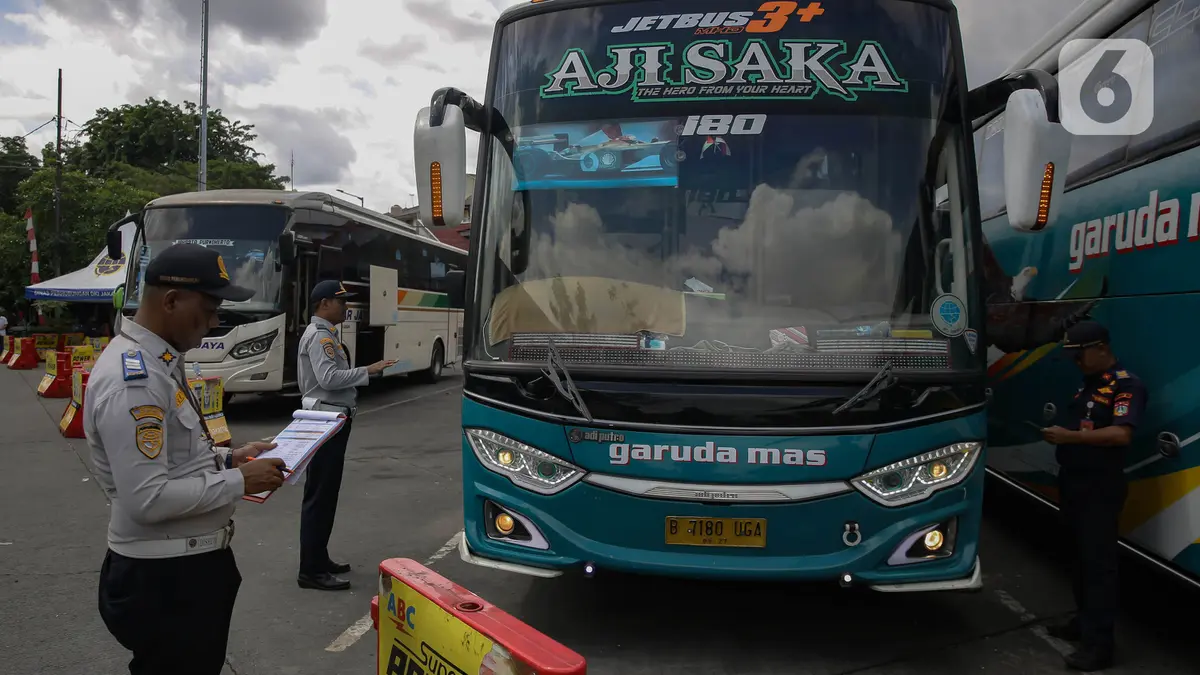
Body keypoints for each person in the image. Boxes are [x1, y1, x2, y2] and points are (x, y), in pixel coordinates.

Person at [86, 243, 288, 675]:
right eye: (209, 310)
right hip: (167, 579)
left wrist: (229, 459)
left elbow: (174, 455)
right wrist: (241, 481)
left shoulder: (158, 362)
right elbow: (147, 499)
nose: (215, 322)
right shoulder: (134, 380)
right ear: (171, 301)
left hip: (181, 570)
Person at [1040, 320, 1147, 671]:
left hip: (1099, 487)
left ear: (1101, 348)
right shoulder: (1089, 384)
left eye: (1080, 354)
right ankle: (1083, 623)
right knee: (1079, 560)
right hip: (1074, 482)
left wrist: (1070, 438)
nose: (1076, 362)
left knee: (1099, 566)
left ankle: (1100, 646)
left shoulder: (1126, 385)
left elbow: (1120, 434)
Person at [296, 279, 395, 590]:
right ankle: (311, 570)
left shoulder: (326, 334)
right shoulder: (320, 336)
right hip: (325, 420)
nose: (346, 307)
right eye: (341, 302)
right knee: (320, 495)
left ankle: (318, 557)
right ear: (324, 304)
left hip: (332, 420)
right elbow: (328, 378)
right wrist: (369, 370)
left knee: (326, 494)